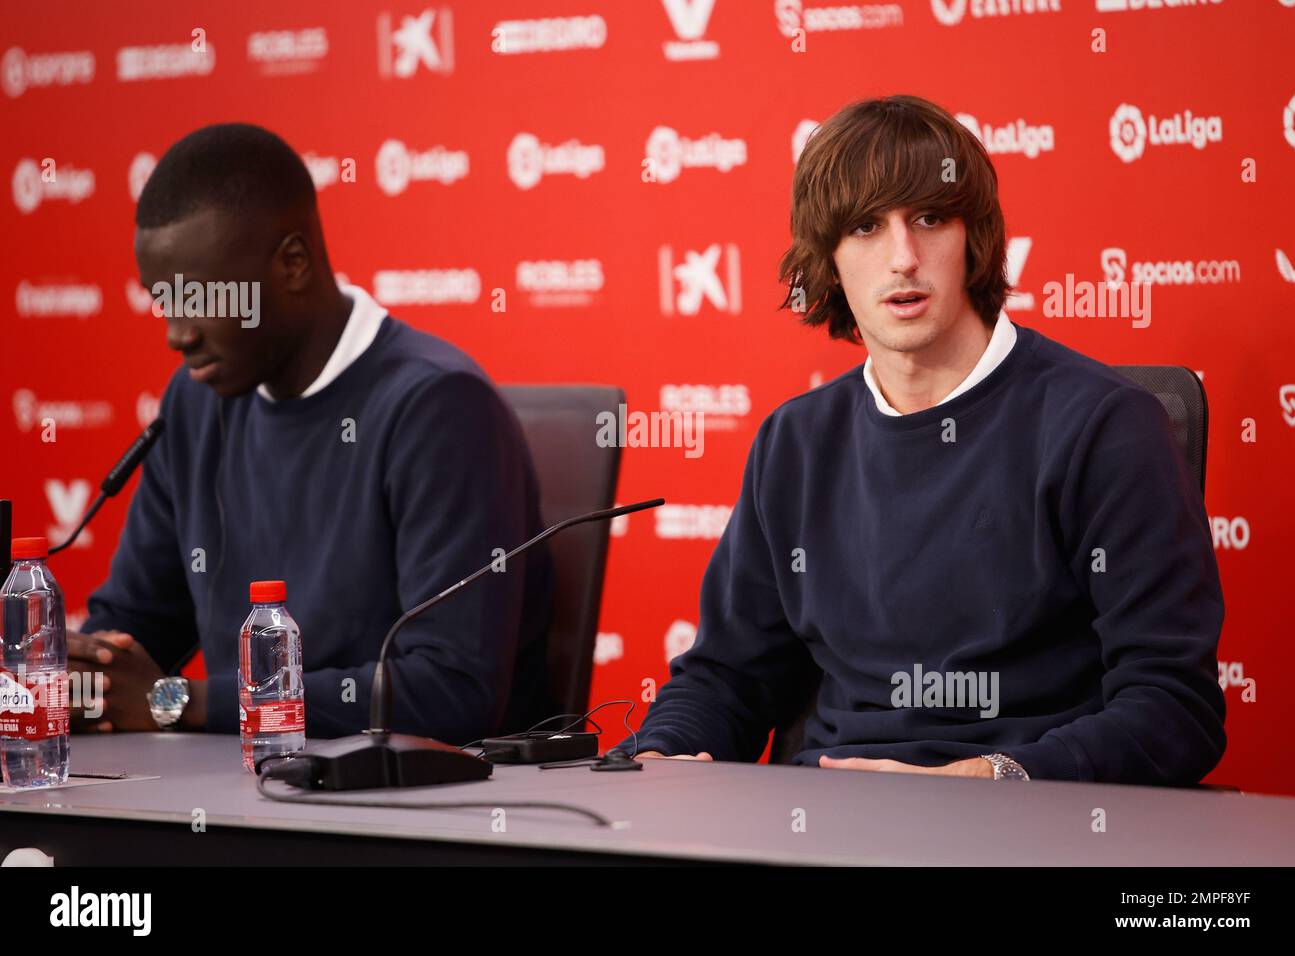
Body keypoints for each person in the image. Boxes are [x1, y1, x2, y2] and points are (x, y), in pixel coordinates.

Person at [621, 95, 1226, 785]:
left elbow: (1175, 710)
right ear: (829, 260)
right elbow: (727, 677)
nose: (902, 257)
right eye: (866, 227)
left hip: (1023, 824)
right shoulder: (795, 442)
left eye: (930, 219)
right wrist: (661, 755)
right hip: (824, 825)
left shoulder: (1105, 426)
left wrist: (992, 777)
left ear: (974, 237)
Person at [71, 123, 553, 743]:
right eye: (164, 300)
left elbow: (452, 689)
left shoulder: (438, 407)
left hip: (413, 813)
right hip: (239, 798)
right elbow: (132, 630)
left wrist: (176, 701)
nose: (177, 333)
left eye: (201, 299)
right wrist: (76, 675)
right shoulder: (193, 401)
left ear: (292, 264)